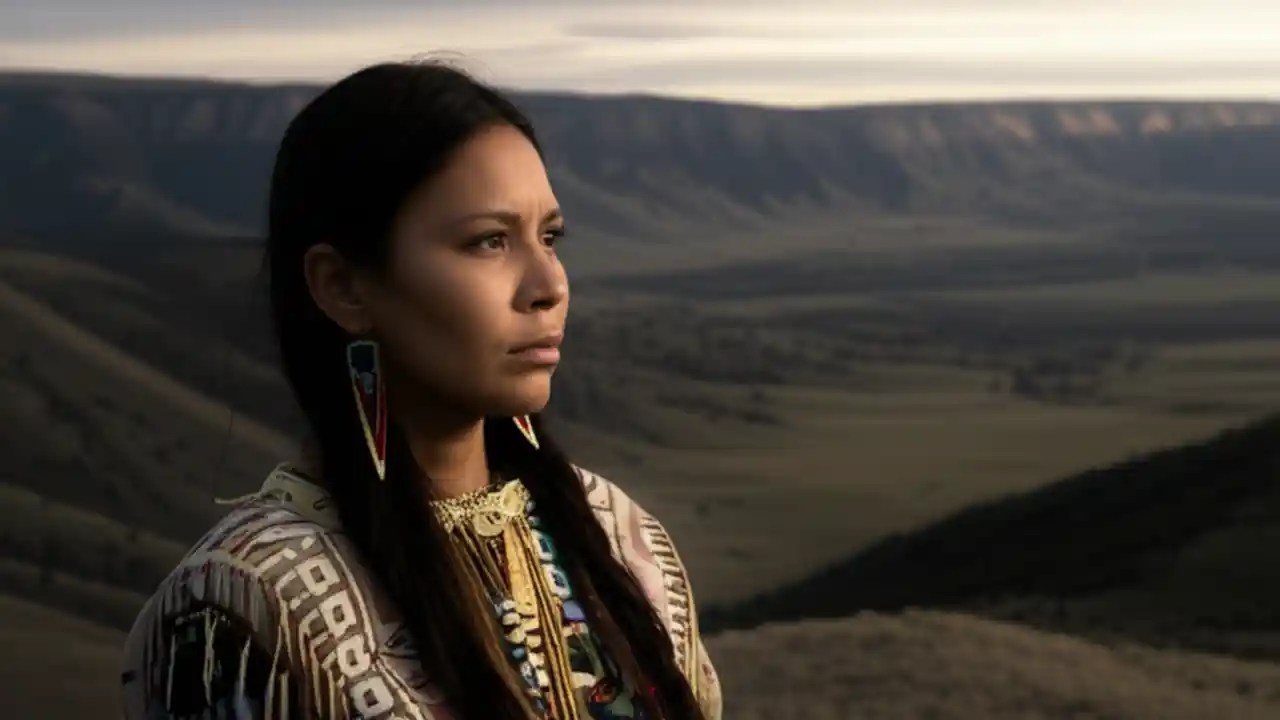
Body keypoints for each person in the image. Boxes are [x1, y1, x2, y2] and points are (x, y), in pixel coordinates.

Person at [118, 59, 722, 720]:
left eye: (549, 237)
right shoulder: (242, 605)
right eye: (490, 241)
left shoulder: (622, 537)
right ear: (343, 287)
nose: (549, 284)